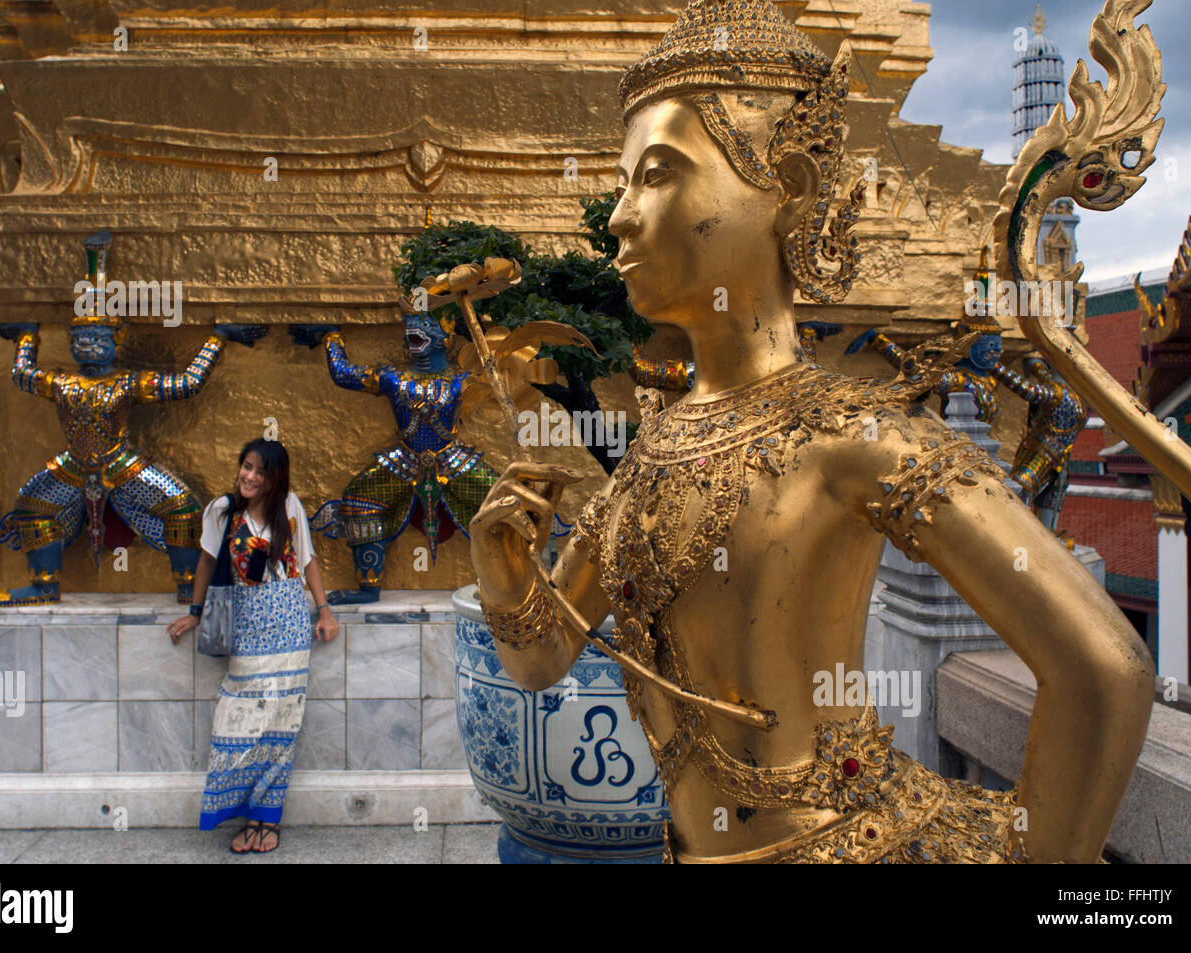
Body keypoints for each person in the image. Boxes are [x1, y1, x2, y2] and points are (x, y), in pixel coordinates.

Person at [468, 0, 1153, 864]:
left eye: (657, 173)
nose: (618, 214)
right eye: (623, 180)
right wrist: (502, 573)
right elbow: (543, 656)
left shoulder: (852, 435)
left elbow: (1107, 671)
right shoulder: (649, 458)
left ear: (785, 185)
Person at [167, 438, 339, 853]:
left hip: (290, 622)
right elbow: (206, 561)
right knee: (240, 721)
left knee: (282, 723)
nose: (249, 476)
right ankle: (244, 813)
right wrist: (195, 609)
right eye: (246, 467)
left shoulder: (290, 506)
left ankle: (267, 820)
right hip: (246, 625)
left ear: (274, 478)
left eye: (260, 471)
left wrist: (324, 611)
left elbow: (308, 559)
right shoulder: (221, 511)